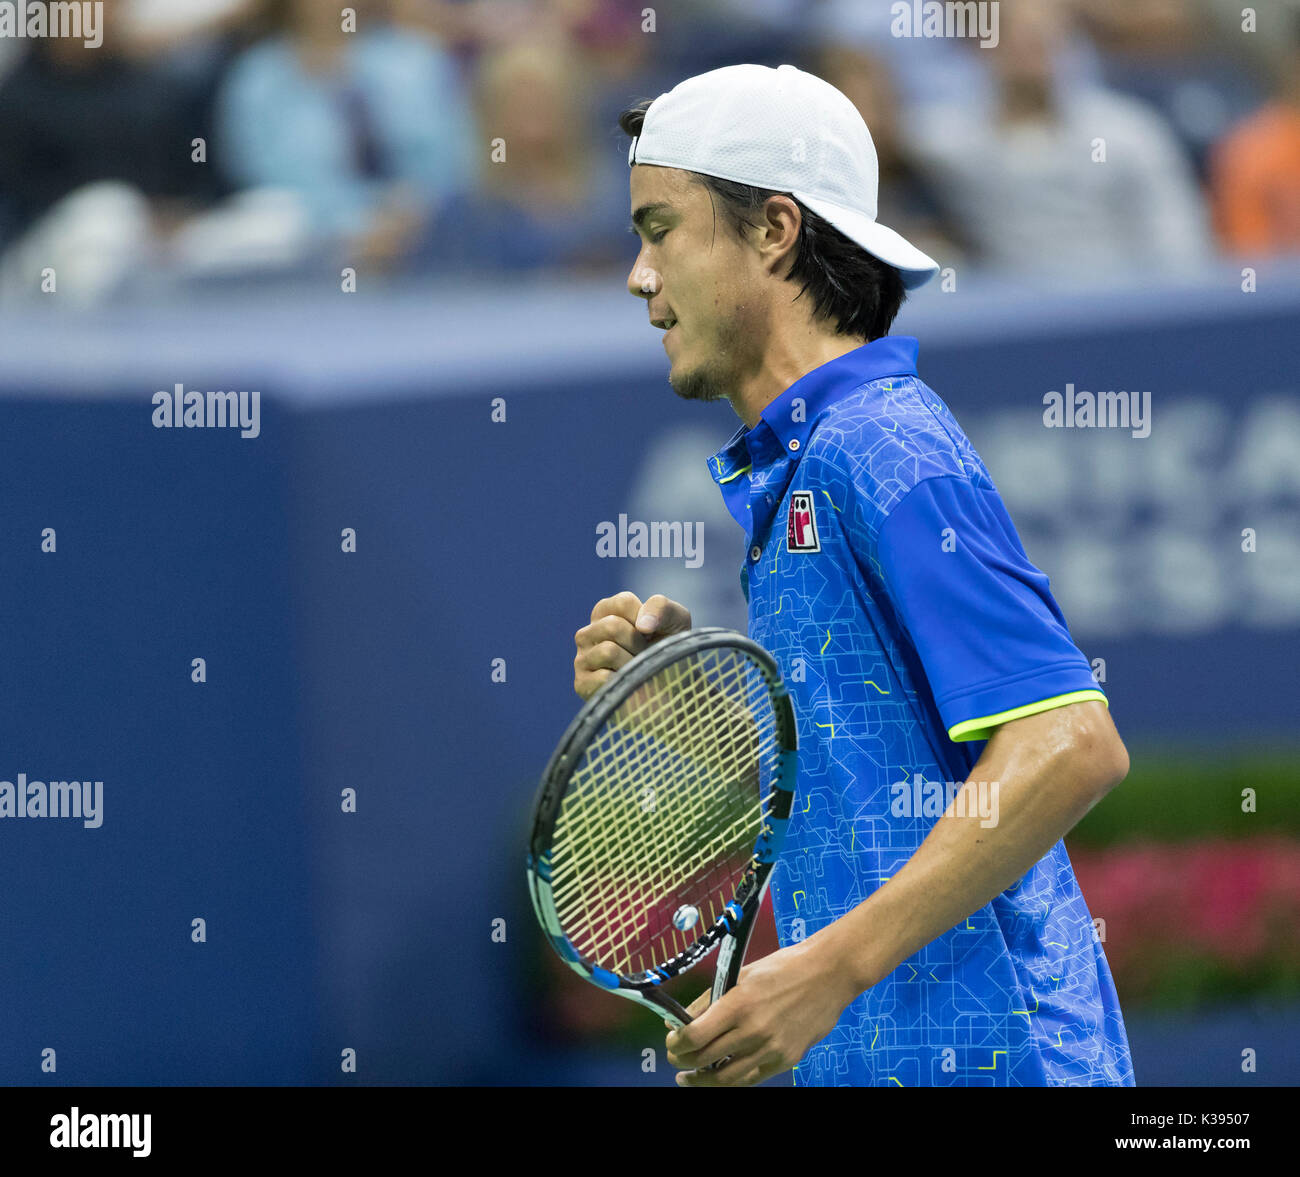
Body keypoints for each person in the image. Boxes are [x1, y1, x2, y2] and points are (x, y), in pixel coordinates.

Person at [571, 64, 1134, 1087]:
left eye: (659, 229)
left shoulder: (881, 446)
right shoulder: (804, 465)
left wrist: (826, 971)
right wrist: (681, 701)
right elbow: (861, 778)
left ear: (774, 229)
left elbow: (1071, 742)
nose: (637, 276)